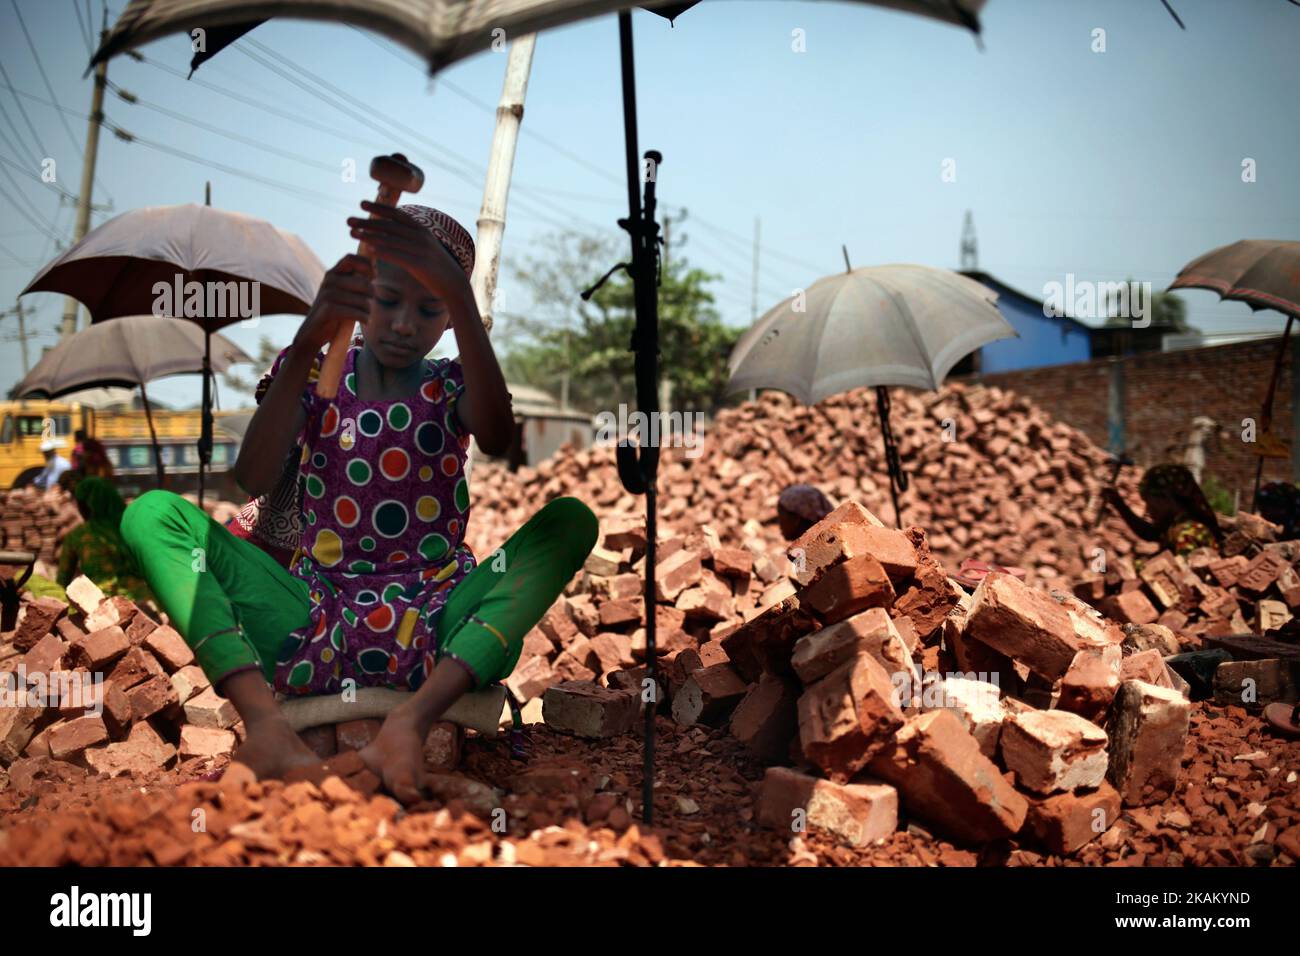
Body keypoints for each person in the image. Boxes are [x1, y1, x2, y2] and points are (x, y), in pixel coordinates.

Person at [120, 201, 598, 804]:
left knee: (570, 522)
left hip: (435, 616)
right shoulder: (316, 375)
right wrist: (309, 334)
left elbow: (500, 435)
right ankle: (266, 728)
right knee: (151, 514)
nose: (403, 323)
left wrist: (461, 292)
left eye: (429, 309)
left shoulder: (451, 385)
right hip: (313, 620)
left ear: (453, 317)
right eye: (388, 300)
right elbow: (252, 475)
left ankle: (411, 720)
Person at [57, 476, 152, 603]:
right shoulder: (134, 527)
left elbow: (62, 582)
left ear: (84, 505)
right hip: (144, 602)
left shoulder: (78, 535)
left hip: (99, 605)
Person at [1102, 463, 1223, 558]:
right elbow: (1151, 533)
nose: (1148, 509)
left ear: (1167, 498)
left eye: (1150, 502)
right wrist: (1119, 504)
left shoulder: (1186, 533)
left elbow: (1186, 579)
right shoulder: (1177, 526)